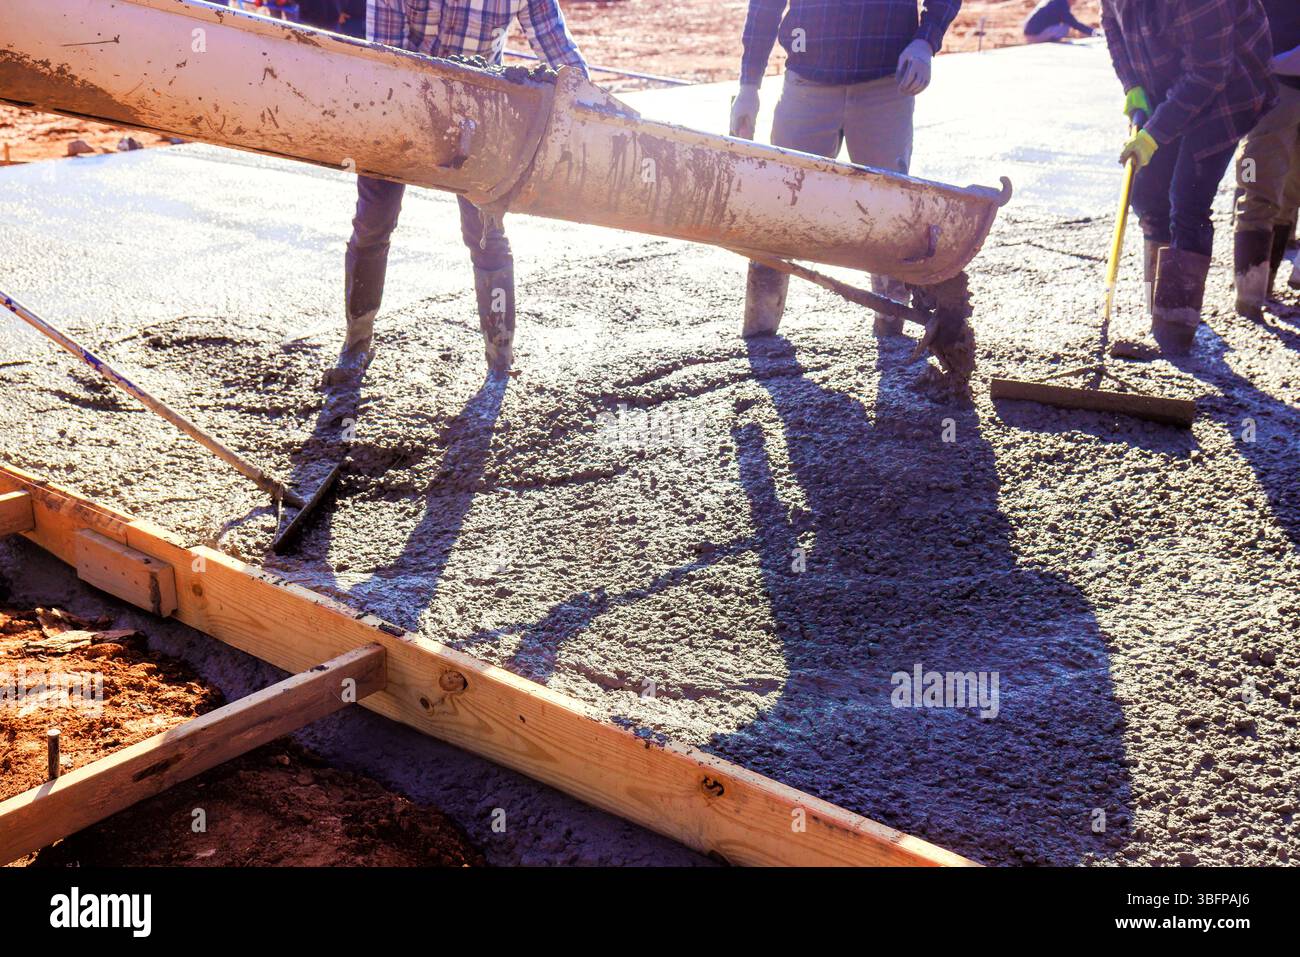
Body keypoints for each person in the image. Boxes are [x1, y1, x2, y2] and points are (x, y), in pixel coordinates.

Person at [341, 1, 588, 379]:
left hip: (480, 109)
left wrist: (591, 112)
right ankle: (356, 344)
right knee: (373, 221)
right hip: (400, 99)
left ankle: (500, 358)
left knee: (487, 234)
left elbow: (559, 51)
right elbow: (386, 61)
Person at [730, 0, 960, 339]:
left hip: (884, 86)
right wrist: (749, 87)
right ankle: (760, 329)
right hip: (807, 84)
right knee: (776, 207)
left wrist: (926, 40)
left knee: (889, 214)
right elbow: (765, 6)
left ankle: (891, 324)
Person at [1102, 0, 1277, 358]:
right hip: (1168, 82)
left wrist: (1154, 135)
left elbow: (1209, 73)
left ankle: (1175, 327)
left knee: (1187, 198)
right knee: (1147, 193)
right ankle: (1158, 307)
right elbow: (1112, 24)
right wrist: (1131, 83)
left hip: (1230, 91)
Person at [1232, 0, 1300, 318]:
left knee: (1290, 193)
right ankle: (1251, 293)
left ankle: (1261, 285)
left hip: (1278, 79)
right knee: (1257, 183)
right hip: (1274, 88)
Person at [1023, 0, 1096, 44]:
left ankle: (1048, 40)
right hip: (1034, 35)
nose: (1073, 3)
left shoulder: (1056, 2)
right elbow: (1072, 22)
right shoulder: (1061, 3)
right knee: (1065, 27)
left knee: (1063, 26)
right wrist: (1092, 32)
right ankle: (1051, 42)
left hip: (1029, 33)